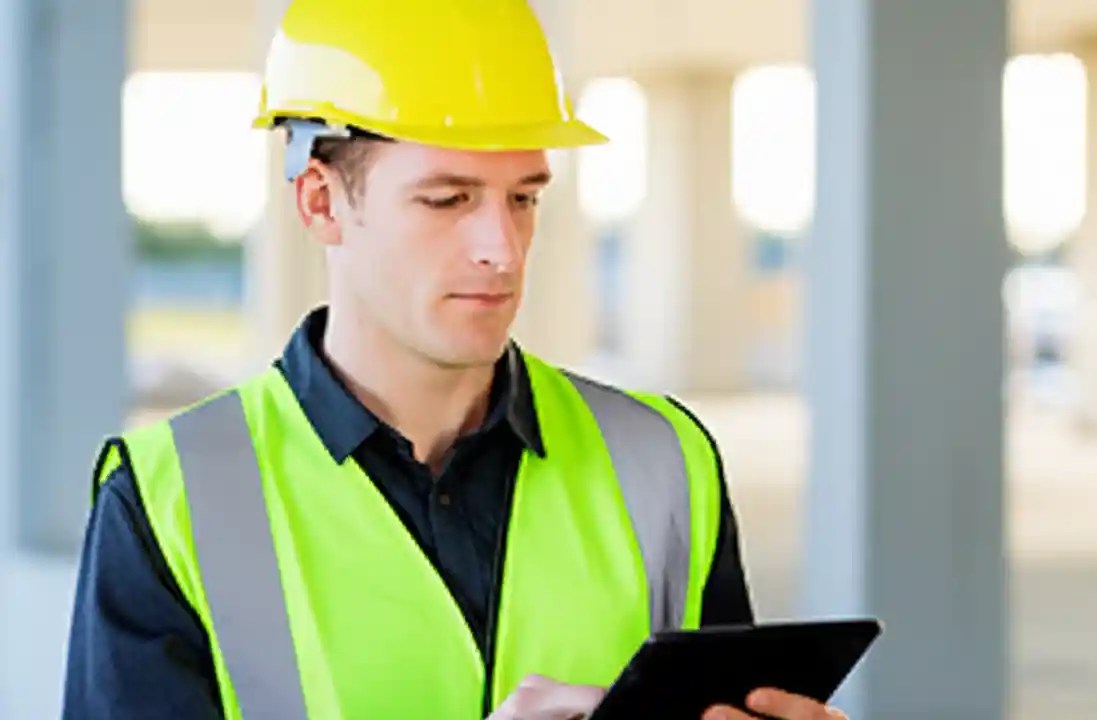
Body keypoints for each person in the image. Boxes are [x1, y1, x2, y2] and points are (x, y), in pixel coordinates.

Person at [61, 1, 846, 718]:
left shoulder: (665, 462)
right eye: (447, 200)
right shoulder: (170, 500)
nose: (499, 250)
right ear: (321, 202)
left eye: (524, 198)